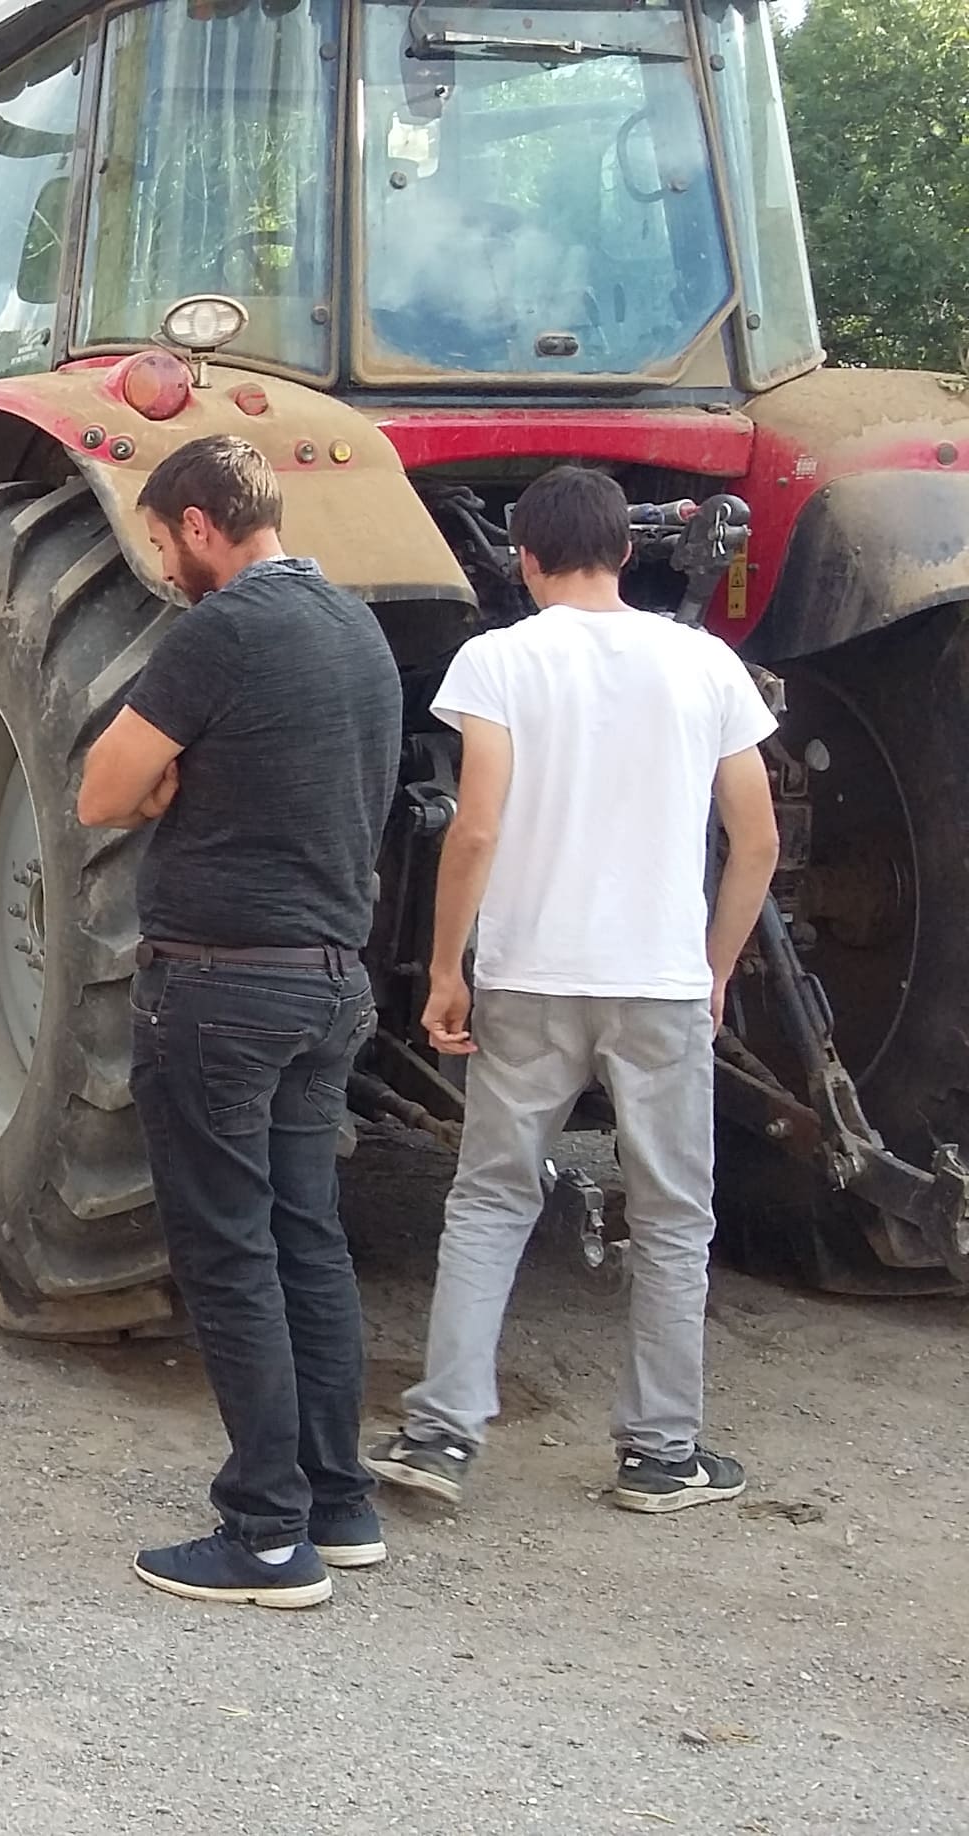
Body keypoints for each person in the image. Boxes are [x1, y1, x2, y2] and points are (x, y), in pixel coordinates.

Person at [372, 466, 780, 1517]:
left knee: (491, 1199)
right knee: (674, 1218)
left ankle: (441, 1434)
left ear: (525, 558)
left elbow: (474, 828)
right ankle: (661, 1455)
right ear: (628, 552)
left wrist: (448, 966)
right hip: (660, 984)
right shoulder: (705, 663)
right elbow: (757, 839)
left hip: (531, 975)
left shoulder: (498, 660)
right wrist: (715, 967)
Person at [75, 435, 401, 1608]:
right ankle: (338, 1502)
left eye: (165, 543)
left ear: (201, 524)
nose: (165, 567)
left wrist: (171, 783)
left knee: (229, 1254)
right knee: (307, 1238)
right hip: (330, 983)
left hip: (221, 989)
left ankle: (265, 1536)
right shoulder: (357, 629)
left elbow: (101, 791)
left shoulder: (221, 634)